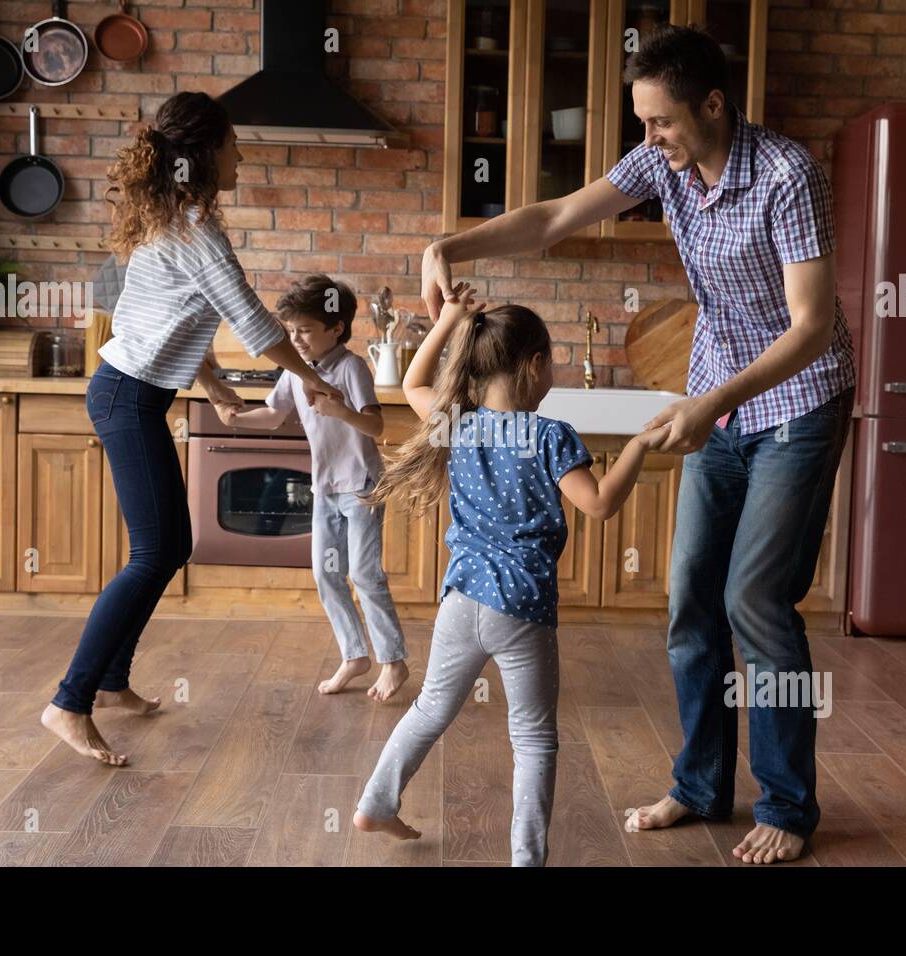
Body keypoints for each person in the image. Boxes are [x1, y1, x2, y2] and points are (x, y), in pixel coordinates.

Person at [418, 26, 856, 863]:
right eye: (644, 123)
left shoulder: (787, 176)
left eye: (661, 122)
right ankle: (699, 786)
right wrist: (452, 242)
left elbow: (810, 326)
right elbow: (552, 218)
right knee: (689, 598)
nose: (648, 139)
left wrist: (714, 400)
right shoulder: (665, 165)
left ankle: (790, 806)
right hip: (717, 400)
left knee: (756, 601)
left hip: (798, 402)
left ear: (714, 105)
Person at [41, 92, 342, 766]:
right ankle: (69, 701)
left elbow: (172, 322)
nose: (239, 155)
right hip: (127, 397)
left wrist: (213, 386)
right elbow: (255, 323)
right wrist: (313, 376)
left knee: (168, 547)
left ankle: (112, 682)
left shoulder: (179, 221)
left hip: (134, 394)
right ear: (205, 153)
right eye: (233, 143)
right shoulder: (195, 232)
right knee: (156, 551)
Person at [351, 283, 670, 866]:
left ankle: (375, 801)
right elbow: (598, 503)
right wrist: (640, 446)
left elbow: (415, 384)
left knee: (428, 710)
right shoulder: (550, 437)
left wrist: (448, 319)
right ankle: (526, 858)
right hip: (520, 608)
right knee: (533, 738)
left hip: (460, 599)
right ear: (535, 365)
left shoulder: (460, 425)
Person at [214, 274, 411, 702]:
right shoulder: (294, 372)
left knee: (363, 573)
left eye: (304, 330)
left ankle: (393, 661)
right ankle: (355, 655)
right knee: (326, 573)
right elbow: (272, 414)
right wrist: (235, 419)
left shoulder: (352, 367)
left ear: (336, 328)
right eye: (290, 331)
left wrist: (339, 410)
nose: (296, 339)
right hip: (324, 488)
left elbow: (375, 426)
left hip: (361, 487)